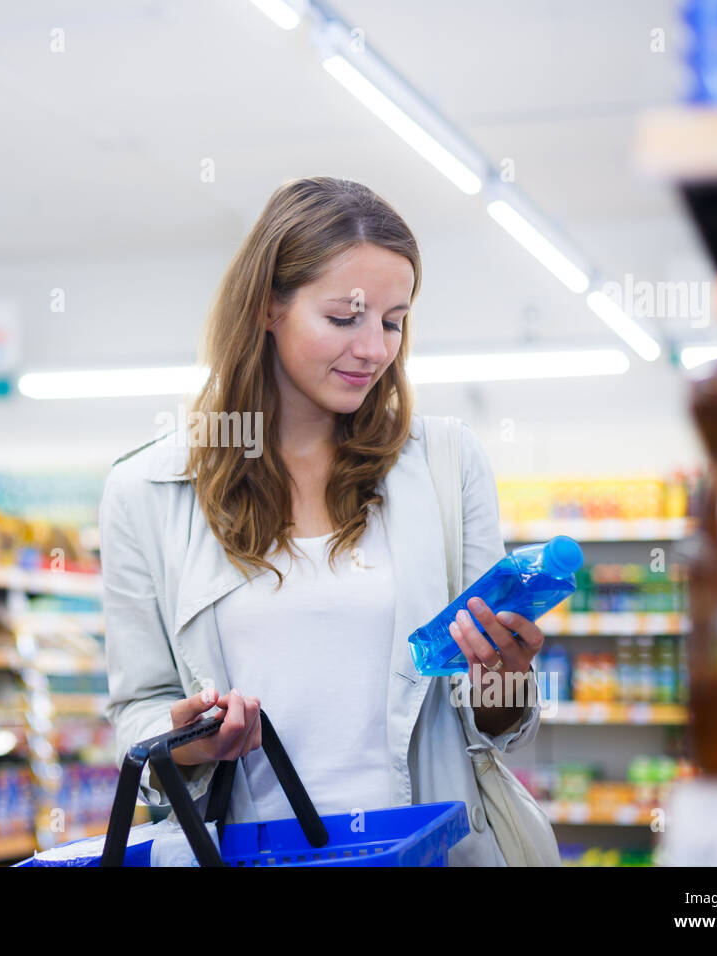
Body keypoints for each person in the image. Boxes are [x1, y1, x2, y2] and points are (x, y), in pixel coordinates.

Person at [99, 176, 545, 865]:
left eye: (393, 322)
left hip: (429, 850)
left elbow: (494, 726)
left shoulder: (448, 466)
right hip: (250, 852)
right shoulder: (147, 491)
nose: (374, 349)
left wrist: (503, 680)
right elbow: (138, 712)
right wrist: (185, 737)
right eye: (345, 319)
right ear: (267, 308)